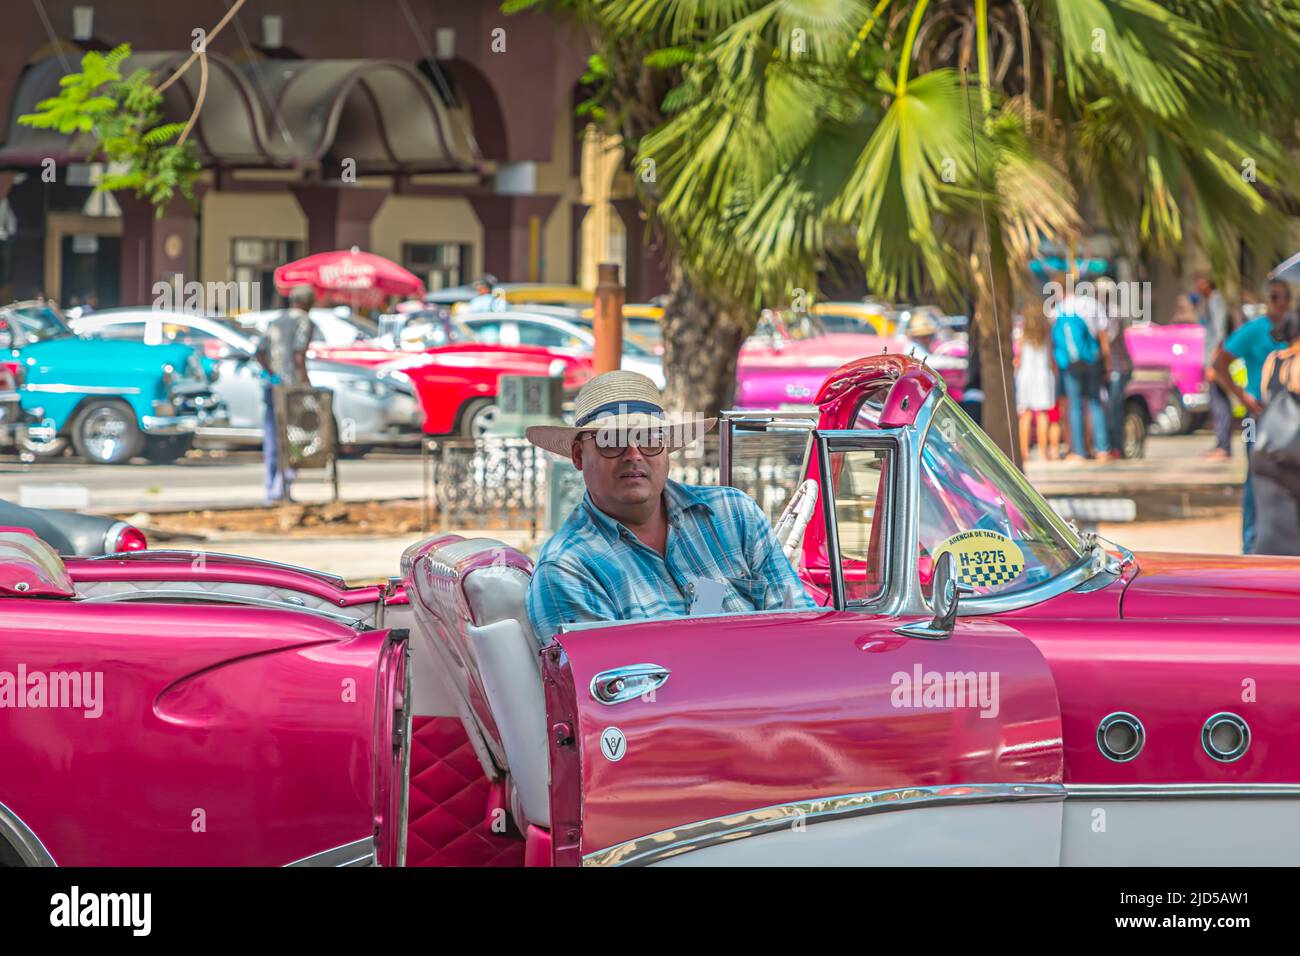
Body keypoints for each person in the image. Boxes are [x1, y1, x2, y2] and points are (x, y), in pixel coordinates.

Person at [524, 371, 817, 641]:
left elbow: (803, 626)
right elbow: (608, 691)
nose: (633, 454)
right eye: (610, 441)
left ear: (665, 450)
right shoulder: (567, 568)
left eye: (649, 437)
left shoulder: (735, 514)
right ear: (578, 455)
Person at [1211, 278, 1291, 553]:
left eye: (1282, 297)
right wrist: (1243, 396)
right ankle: (1250, 545)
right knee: (1254, 479)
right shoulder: (1254, 330)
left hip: (1289, 418)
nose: (1278, 303)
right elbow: (1220, 363)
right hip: (1257, 417)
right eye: (1273, 297)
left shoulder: (1294, 333)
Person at [255, 285, 320, 503]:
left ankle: (272, 490)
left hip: (273, 386)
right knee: (296, 437)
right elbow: (298, 355)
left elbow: (260, 352)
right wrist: (306, 384)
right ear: (308, 303)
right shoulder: (304, 321)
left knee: (273, 437)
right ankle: (283, 485)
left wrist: (271, 374)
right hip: (292, 389)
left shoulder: (277, 320)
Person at [1250, 317, 1300, 555]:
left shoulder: (1273, 360)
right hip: (1294, 455)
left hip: (1267, 449)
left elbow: (1265, 397)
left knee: (1271, 527)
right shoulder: (1298, 362)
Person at [1050, 279, 1110, 462]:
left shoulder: (1057, 309)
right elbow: (1102, 334)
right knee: (1094, 402)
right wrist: (1107, 360)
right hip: (1092, 359)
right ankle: (1101, 449)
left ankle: (1079, 451)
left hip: (1069, 364)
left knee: (1074, 405)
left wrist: (1055, 365)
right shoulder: (1091, 305)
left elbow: (1053, 341)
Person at [1195, 273, 1233, 460]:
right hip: (1212, 359)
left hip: (1215, 360)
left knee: (1220, 402)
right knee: (1216, 401)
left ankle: (1224, 446)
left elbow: (1219, 333)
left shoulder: (1216, 300)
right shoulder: (1208, 302)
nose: (1196, 286)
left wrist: (1214, 363)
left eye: (1199, 282)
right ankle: (1221, 444)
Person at [1096, 276, 1134, 458]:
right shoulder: (1100, 313)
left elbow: (1108, 340)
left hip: (1118, 367)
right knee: (1108, 408)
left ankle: (1117, 447)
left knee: (1114, 407)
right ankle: (1110, 445)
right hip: (1110, 368)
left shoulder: (1113, 314)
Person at [1015, 307, 1058, 462]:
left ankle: (1024, 453)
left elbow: (1018, 357)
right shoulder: (1047, 332)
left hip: (1026, 375)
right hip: (1043, 375)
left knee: (1025, 415)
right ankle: (1043, 453)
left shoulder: (1022, 334)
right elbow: (1052, 355)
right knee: (1042, 414)